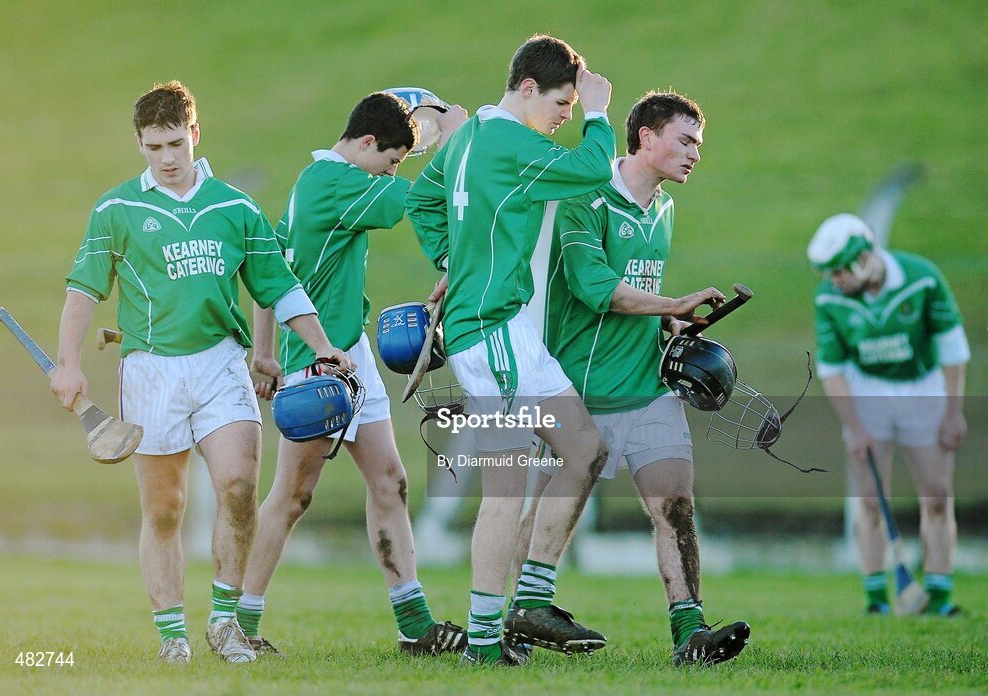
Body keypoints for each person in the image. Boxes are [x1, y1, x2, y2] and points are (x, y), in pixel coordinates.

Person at [50, 81, 351, 665]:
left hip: (220, 363)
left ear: (196, 134)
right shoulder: (116, 210)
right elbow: (83, 290)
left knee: (239, 488)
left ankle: (224, 623)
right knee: (165, 509)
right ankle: (172, 636)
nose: (166, 158)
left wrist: (323, 345)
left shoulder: (236, 208)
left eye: (176, 144)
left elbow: (279, 287)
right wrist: (68, 363)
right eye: (154, 146)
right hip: (151, 370)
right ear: (139, 143)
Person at [521, 90, 751, 667]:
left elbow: (635, 293)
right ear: (647, 137)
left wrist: (672, 320)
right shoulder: (586, 197)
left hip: (648, 386)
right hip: (578, 387)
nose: (695, 154)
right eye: (686, 141)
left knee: (675, 502)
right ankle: (523, 612)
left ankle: (690, 631)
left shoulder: (664, 209)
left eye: (699, 144)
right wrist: (674, 298)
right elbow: (595, 288)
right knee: (542, 512)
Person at [406, 34, 615, 666]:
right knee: (506, 487)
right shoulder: (510, 141)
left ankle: (529, 601)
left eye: (575, 107)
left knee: (583, 449)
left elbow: (421, 200)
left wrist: (450, 259)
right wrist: (603, 113)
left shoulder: (470, 137)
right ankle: (487, 639)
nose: (565, 116)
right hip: (491, 333)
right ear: (527, 89)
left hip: (505, 333)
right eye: (561, 102)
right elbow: (593, 168)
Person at [241, 92, 470, 657]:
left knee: (389, 480)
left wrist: (261, 353)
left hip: (347, 353)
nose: (392, 172)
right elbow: (424, 201)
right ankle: (239, 623)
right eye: (391, 161)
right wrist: (460, 131)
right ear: (367, 144)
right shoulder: (335, 182)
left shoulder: (316, 180)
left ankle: (414, 625)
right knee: (292, 497)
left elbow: (271, 267)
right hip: (318, 361)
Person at [807, 213, 970, 616]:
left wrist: (953, 413)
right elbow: (832, 370)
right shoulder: (830, 299)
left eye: (842, 269)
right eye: (829, 272)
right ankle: (877, 599)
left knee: (936, 495)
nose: (836, 279)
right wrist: (855, 427)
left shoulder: (923, 278)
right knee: (869, 500)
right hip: (867, 394)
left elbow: (952, 350)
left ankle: (940, 597)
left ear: (865, 256)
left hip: (923, 389)